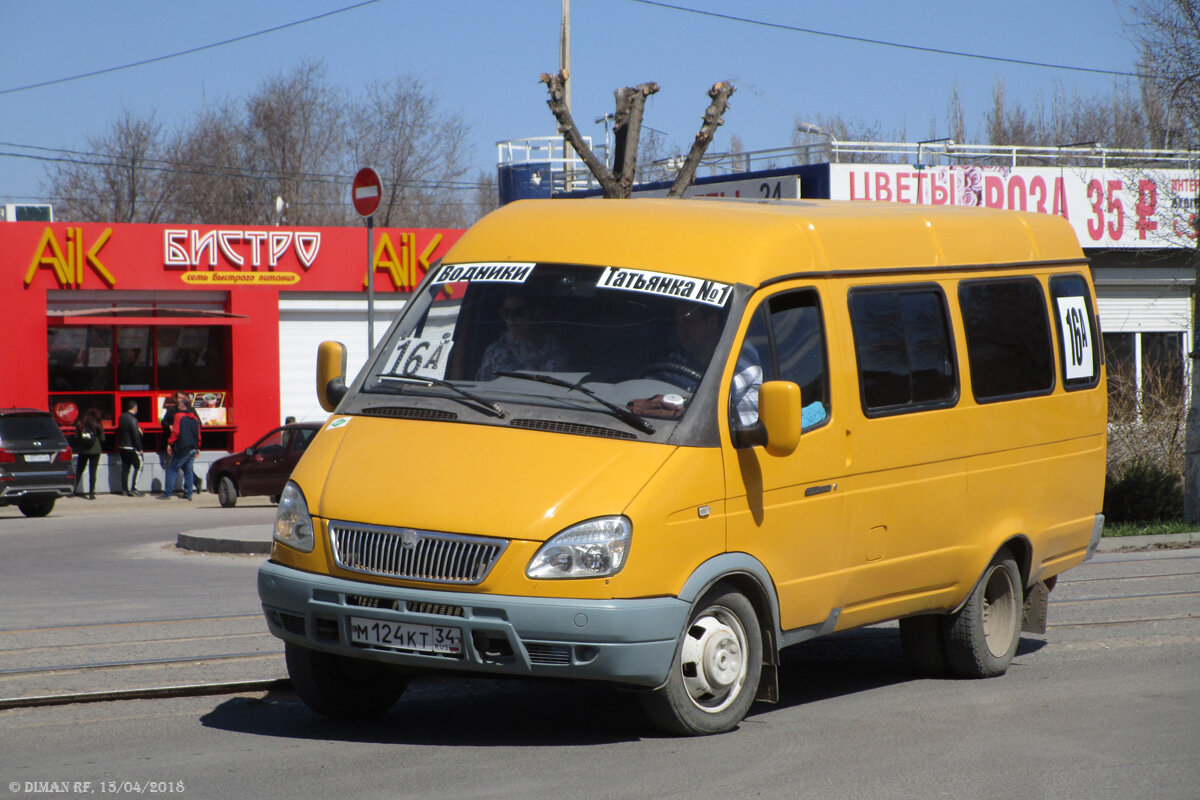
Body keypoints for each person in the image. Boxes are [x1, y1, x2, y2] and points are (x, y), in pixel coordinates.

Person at [475, 292, 567, 380]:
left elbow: (555, 387)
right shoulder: (494, 350)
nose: (510, 318)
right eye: (506, 313)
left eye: (518, 312)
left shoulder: (551, 348)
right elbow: (481, 386)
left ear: (534, 314)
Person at [158, 392, 201, 501]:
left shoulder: (178, 416)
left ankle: (168, 493)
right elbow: (198, 434)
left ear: (182, 406)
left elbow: (175, 432)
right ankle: (188, 493)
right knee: (188, 470)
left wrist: (170, 443)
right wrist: (198, 447)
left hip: (182, 447)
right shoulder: (195, 418)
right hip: (193, 447)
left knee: (172, 469)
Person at [72, 407, 105, 499]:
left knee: (79, 471)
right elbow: (103, 438)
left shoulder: (80, 424)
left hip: (83, 450)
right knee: (93, 472)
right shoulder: (97, 424)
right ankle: (91, 493)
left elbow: (75, 438)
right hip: (95, 450)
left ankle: (73, 491)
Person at [117, 400, 144, 496]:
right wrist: (140, 448)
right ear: (135, 408)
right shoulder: (133, 419)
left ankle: (124, 489)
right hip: (131, 447)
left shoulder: (122, 417)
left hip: (122, 446)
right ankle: (134, 488)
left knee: (125, 468)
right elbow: (135, 435)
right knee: (139, 465)